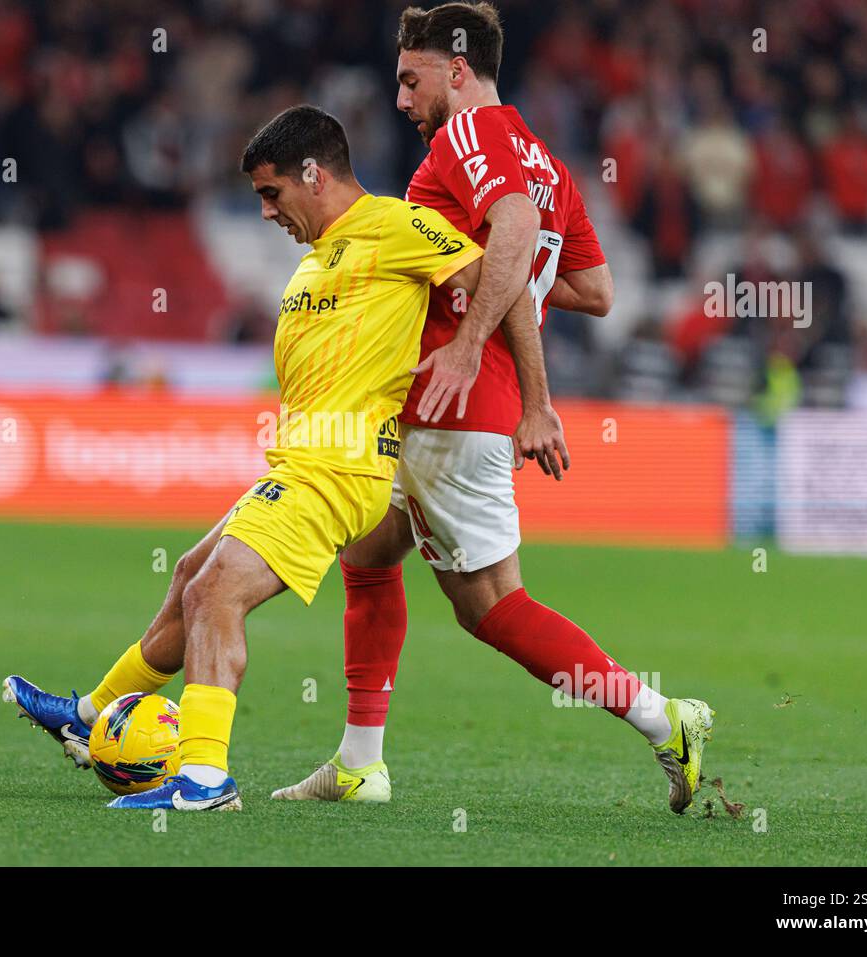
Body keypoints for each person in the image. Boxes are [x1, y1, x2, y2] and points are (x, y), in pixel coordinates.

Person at [3, 104, 535, 811]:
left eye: (271, 192)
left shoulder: (399, 226)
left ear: (314, 174)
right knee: (191, 576)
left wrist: (511, 381)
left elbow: (507, 278)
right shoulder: (323, 255)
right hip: (300, 464)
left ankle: (203, 778)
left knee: (212, 593)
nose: (264, 212)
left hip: (340, 469)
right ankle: (95, 711)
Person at [269, 2, 713, 815]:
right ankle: (360, 762)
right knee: (368, 555)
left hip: (454, 396)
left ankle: (663, 716)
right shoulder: (546, 159)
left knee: (493, 607)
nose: (402, 101)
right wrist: (512, 304)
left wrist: (479, 343)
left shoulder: (469, 137)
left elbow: (512, 225)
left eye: (412, 79)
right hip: (452, 400)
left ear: (458, 68)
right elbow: (595, 289)